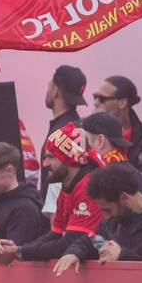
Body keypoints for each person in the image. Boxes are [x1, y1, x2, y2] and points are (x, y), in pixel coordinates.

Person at [0, 123, 104, 275]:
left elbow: (69, 243)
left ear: (69, 158)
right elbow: (55, 235)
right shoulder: (68, 187)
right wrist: (19, 249)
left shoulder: (87, 186)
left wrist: (19, 251)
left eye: (51, 157)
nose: (45, 163)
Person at [92, 75, 142, 193]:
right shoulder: (86, 135)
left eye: (101, 99)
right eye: (95, 97)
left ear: (122, 103)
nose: (95, 102)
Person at [40, 65, 86, 198]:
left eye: (49, 86)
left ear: (55, 90)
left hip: (58, 208)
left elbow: (54, 182)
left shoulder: (60, 133)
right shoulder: (78, 128)